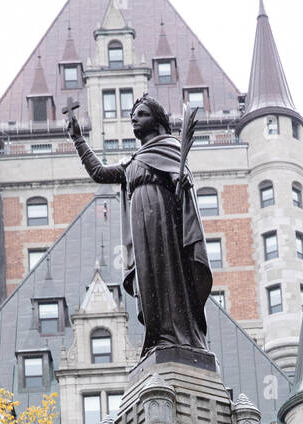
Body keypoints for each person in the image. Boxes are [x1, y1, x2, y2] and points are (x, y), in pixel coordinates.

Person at [66, 96, 212, 360]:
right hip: (141, 230)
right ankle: (158, 336)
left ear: (156, 121)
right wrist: (78, 139)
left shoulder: (169, 148)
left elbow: (182, 181)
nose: (134, 118)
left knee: (169, 277)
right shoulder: (132, 161)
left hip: (164, 226)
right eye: (133, 115)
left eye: (141, 114)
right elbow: (98, 173)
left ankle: (180, 335)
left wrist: (182, 181)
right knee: (149, 282)